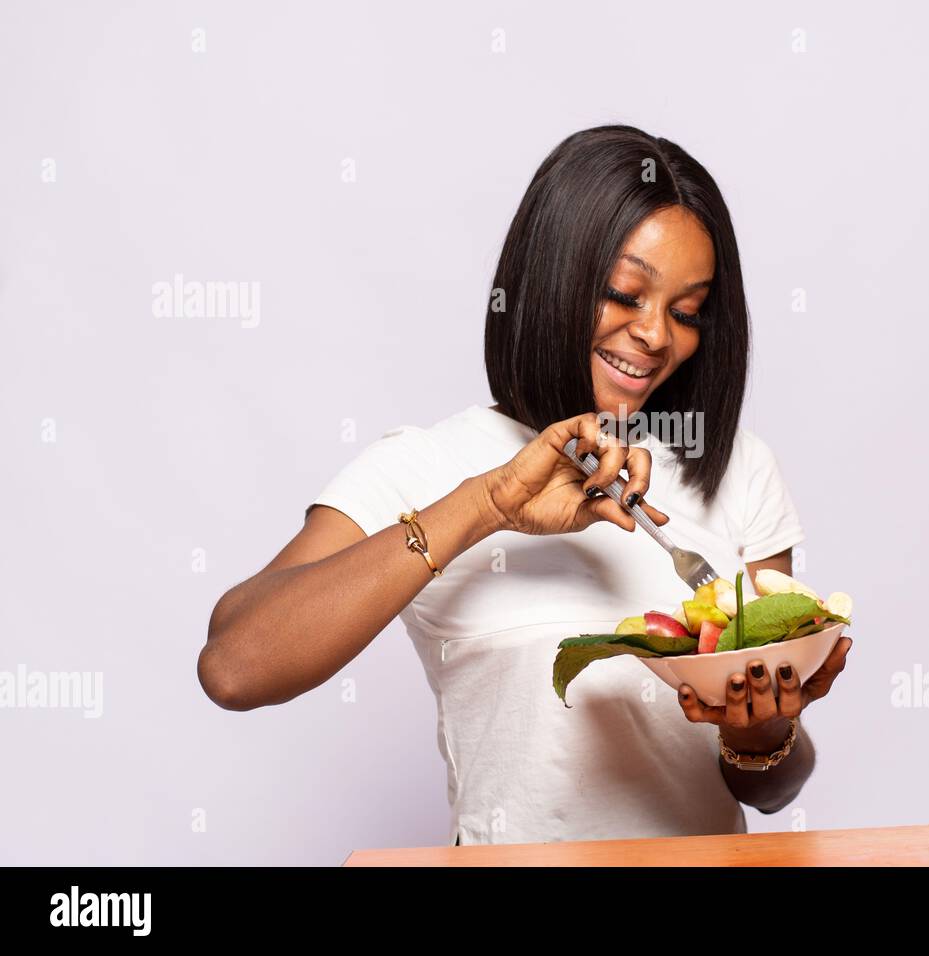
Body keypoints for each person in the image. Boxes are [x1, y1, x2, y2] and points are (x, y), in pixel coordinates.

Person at [198, 124, 854, 846]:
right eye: (624, 294)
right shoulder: (428, 466)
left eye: (687, 310)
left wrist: (761, 730)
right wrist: (488, 505)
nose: (657, 336)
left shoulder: (735, 468)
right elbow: (235, 667)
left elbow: (773, 788)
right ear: (552, 279)